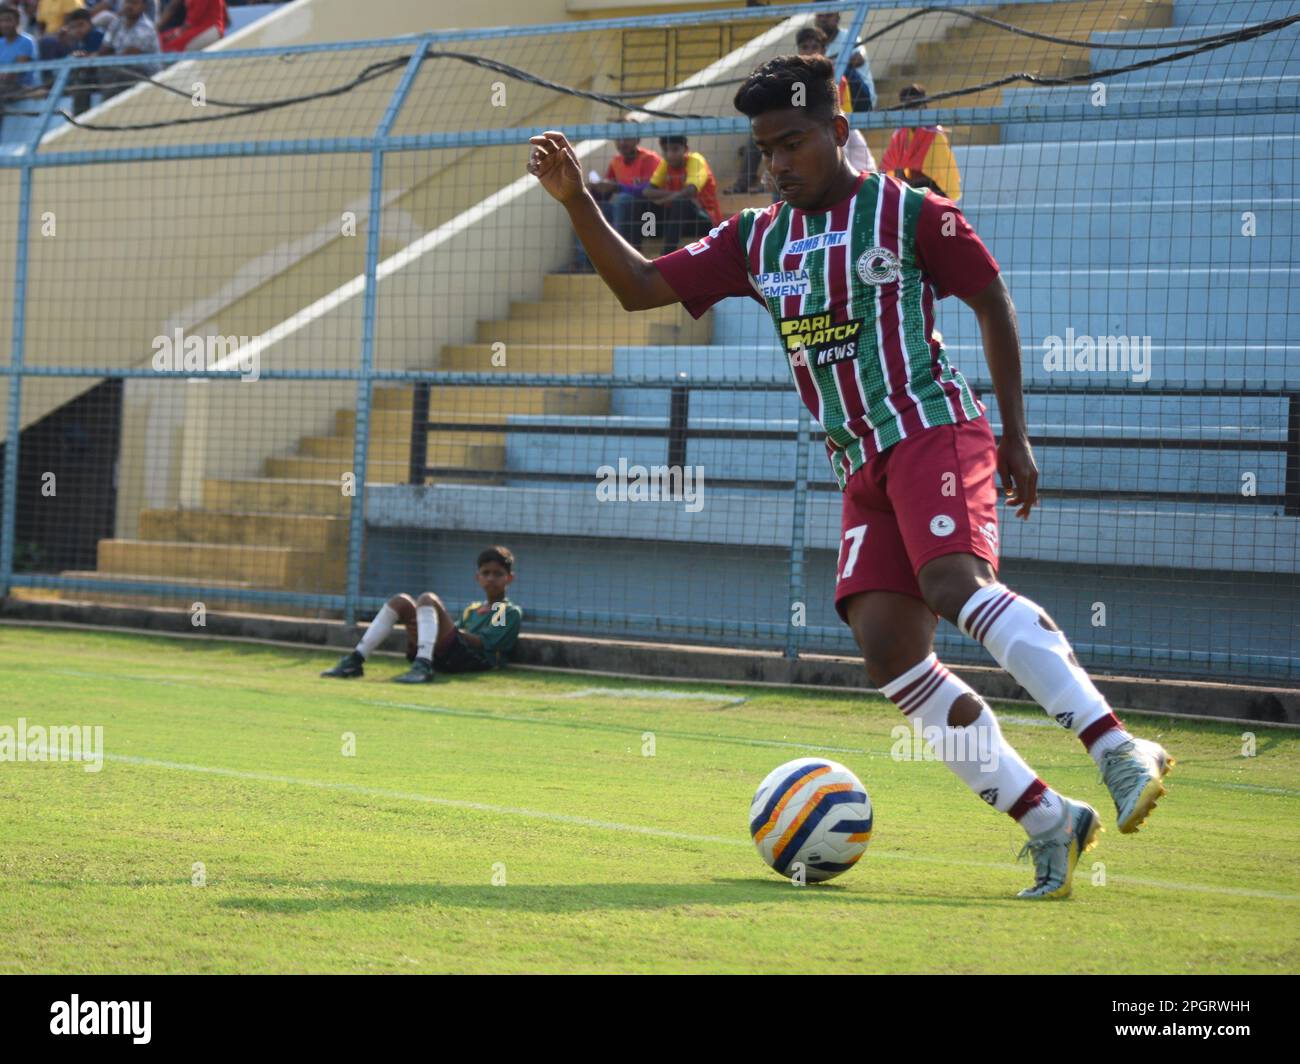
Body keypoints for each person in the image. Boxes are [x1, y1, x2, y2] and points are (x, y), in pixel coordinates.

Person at [527, 53, 1173, 900]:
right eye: (764, 150)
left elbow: (991, 300)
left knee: (952, 583)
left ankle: (1117, 747)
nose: (779, 163)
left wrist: (1015, 435)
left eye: (793, 142)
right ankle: (1051, 820)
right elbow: (642, 287)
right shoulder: (756, 239)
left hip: (934, 428)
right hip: (860, 464)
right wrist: (578, 199)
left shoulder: (909, 214)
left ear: (838, 131)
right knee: (891, 654)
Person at [321, 546, 524, 684]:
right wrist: (438, 630)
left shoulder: (504, 609)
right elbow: (457, 636)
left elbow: (485, 643)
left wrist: (447, 629)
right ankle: (356, 660)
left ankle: (423, 666)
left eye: (498, 574)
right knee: (400, 601)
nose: (491, 579)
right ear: (477, 577)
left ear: (510, 578)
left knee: (427, 599)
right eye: (486, 573)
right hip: (449, 656)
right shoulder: (473, 609)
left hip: (477, 662)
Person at [572, 119, 661, 272]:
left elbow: (648, 191)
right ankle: (585, 262)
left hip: (649, 216)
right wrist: (595, 189)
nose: (621, 142)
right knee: (588, 207)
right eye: (618, 138)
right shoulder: (616, 162)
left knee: (623, 200)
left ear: (638, 139)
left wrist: (617, 187)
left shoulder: (650, 159)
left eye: (626, 137)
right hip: (625, 211)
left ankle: (621, 258)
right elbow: (608, 192)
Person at [881, 83, 962, 202]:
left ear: (924, 106)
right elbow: (892, 169)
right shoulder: (899, 134)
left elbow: (938, 182)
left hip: (934, 197)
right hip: (908, 196)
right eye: (907, 105)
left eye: (914, 105)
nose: (910, 109)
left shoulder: (936, 136)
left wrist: (907, 182)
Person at [643, 134, 721, 250]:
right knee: (641, 203)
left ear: (685, 149)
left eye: (675, 149)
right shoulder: (666, 163)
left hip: (703, 219)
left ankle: (666, 254)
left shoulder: (695, 160)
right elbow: (647, 191)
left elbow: (690, 191)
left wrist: (666, 198)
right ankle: (637, 248)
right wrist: (673, 196)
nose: (670, 155)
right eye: (665, 150)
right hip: (677, 220)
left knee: (682, 201)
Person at [815, 8, 875, 111]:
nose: (824, 19)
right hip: (832, 97)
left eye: (828, 15)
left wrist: (826, 62)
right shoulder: (815, 42)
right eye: (820, 15)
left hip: (858, 95)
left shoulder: (850, 37)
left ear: (838, 18)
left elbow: (858, 59)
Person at [0, 4, 38, 94]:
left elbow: (15, 74)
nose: (4, 24)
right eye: (1, 21)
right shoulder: (0, 42)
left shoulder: (26, 41)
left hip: (23, 88)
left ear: (17, 21)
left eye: (8, 20)